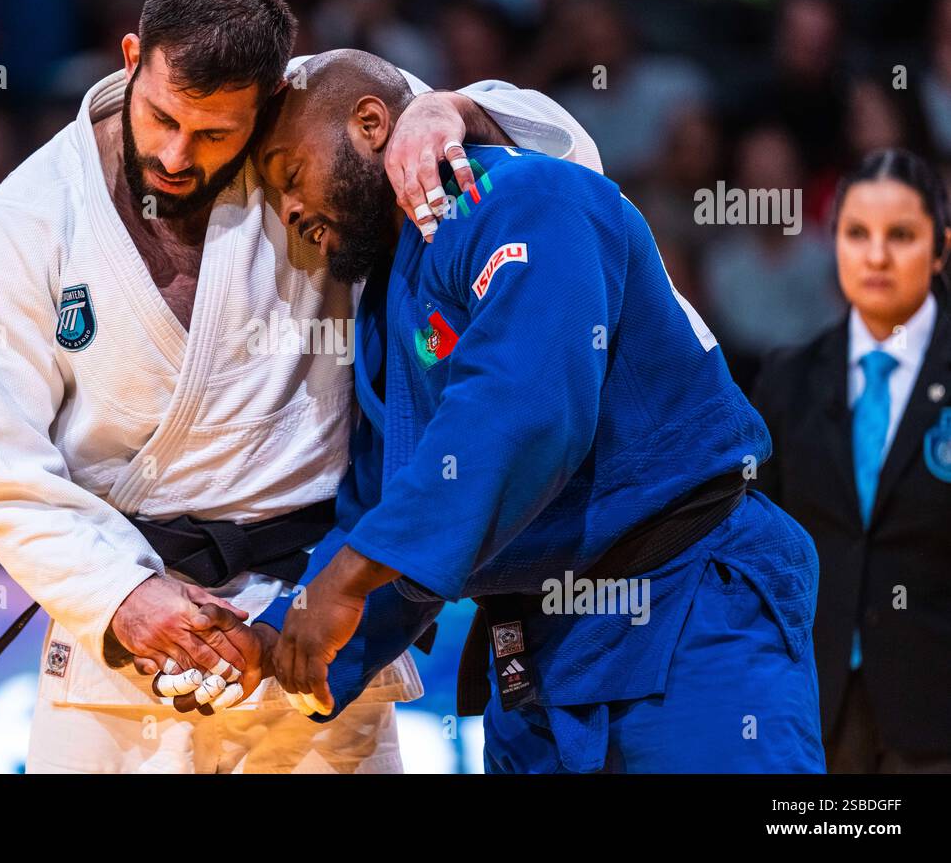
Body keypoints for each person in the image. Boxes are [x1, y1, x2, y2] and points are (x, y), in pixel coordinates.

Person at [0, 0, 600, 773]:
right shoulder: (23, 225)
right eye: (161, 118)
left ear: (268, 104)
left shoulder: (312, 139)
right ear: (129, 58)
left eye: (217, 134)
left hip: (311, 624)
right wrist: (121, 597)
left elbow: (571, 163)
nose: (179, 154)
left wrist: (453, 107)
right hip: (119, 633)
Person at [245, 49, 825, 773]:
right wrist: (270, 644)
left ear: (369, 124)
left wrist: (355, 571)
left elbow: (525, 409)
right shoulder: (384, 308)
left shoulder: (526, 196)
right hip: (533, 655)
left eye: (289, 174)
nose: (289, 209)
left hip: (685, 605)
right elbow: (388, 508)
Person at [754, 148, 951, 773]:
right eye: (856, 233)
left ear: (940, 248)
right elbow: (759, 541)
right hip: (814, 703)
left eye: (901, 235)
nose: (876, 256)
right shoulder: (789, 378)